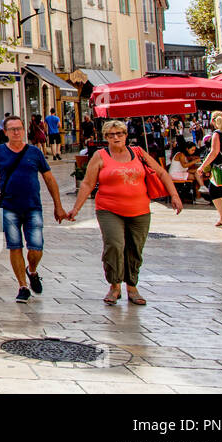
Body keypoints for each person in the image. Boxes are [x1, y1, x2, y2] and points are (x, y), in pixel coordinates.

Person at [68, 118, 182, 305]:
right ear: (106, 137)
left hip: (140, 209)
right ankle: (114, 286)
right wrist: (76, 209)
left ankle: (132, 286)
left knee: (135, 248)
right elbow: (88, 183)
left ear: (126, 135)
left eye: (119, 134)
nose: (116, 137)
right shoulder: (100, 156)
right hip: (109, 209)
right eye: (111, 135)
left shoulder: (138, 153)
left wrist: (174, 195)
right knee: (114, 244)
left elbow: (161, 172)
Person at [0, 114, 68, 303]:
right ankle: (22, 286)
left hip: (32, 207)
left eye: (19, 128)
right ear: (5, 132)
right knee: (15, 246)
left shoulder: (34, 152)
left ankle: (32, 270)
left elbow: (49, 178)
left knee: (36, 248)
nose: (16, 132)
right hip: (8, 207)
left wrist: (58, 206)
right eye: (12, 129)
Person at [168, 140, 201, 204]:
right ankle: (198, 196)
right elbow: (184, 165)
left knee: (197, 173)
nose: (193, 152)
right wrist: (195, 161)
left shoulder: (184, 155)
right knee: (196, 177)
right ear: (187, 149)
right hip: (175, 174)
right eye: (192, 150)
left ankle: (199, 194)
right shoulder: (180, 154)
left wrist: (193, 159)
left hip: (180, 172)